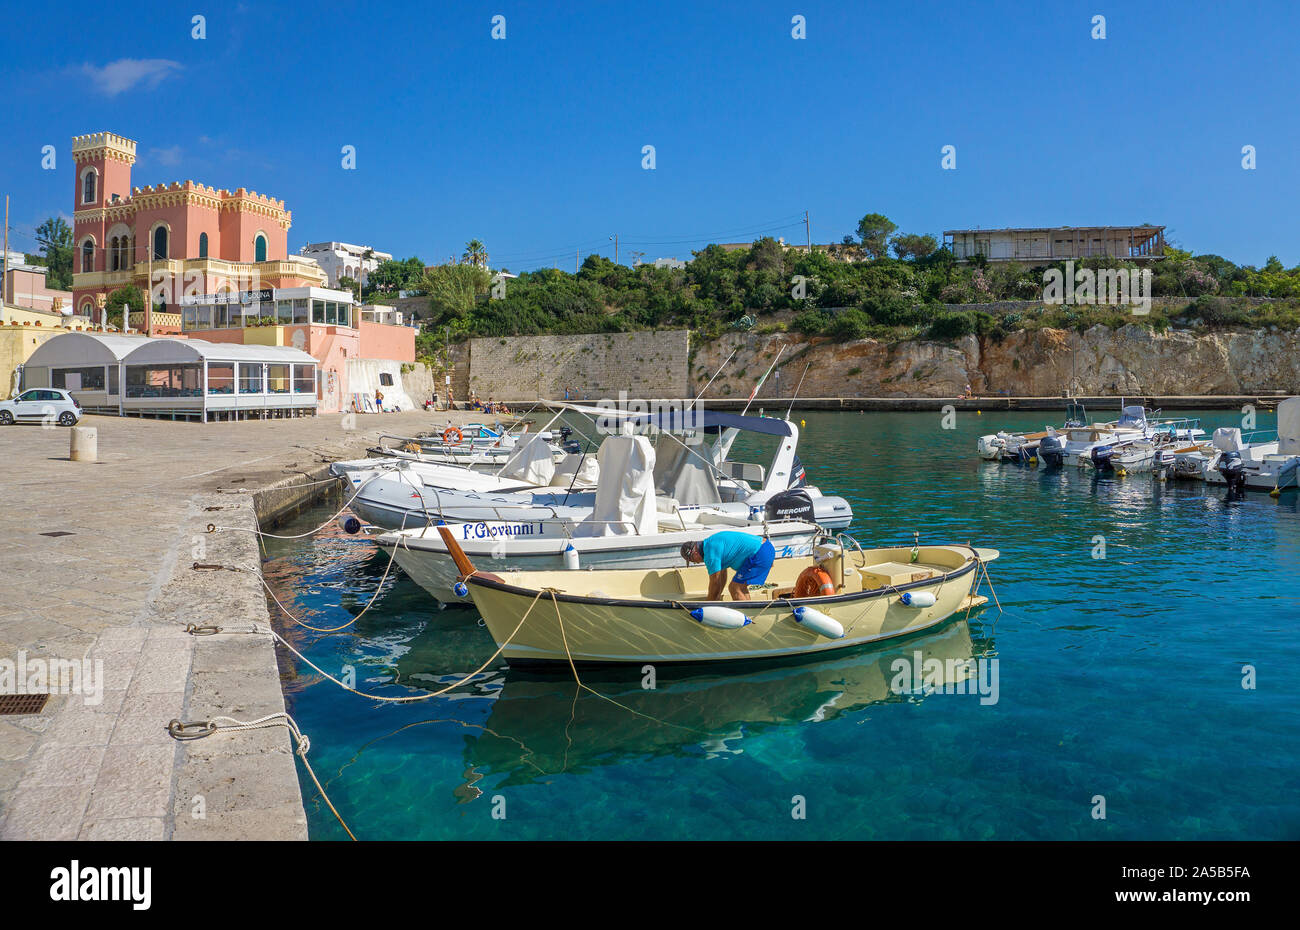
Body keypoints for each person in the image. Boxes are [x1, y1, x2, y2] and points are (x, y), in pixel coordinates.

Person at [680, 531, 775, 601]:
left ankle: (746, 619)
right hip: (766, 548)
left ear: (694, 553)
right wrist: (716, 597)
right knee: (740, 587)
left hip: (759, 553)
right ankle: (749, 615)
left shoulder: (710, 553)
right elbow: (721, 576)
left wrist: (708, 606)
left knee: (734, 588)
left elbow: (715, 583)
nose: (695, 563)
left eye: (692, 560)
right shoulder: (710, 543)